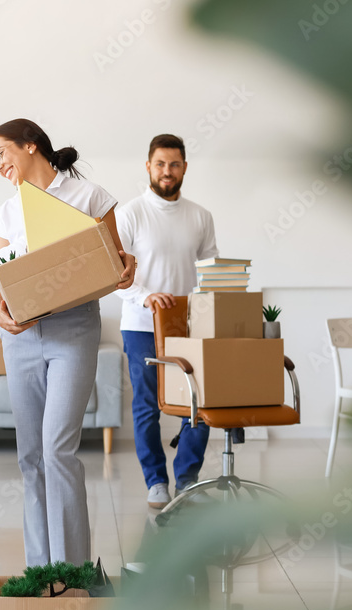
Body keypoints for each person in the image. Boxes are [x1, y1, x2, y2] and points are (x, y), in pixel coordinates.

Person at [0, 119, 136, 567]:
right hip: (23, 339)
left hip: (73, 331)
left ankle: (71, 570)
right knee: (30, 455)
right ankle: (40, 568)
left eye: (0, 152)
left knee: (57, 449)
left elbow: (117, 267)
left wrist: (125, 269)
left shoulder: (89, 197)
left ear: (30, 145)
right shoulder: (6, 214)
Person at [115, 134, 218, 509]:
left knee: (199, 402)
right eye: (160, 164)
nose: (167, 171)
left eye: (174, 164)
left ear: (185, 167)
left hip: (190, 327)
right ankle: (156, 481)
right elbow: (116, 273)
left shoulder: (200, 216)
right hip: (142, 324)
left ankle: (188, 478)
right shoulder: (129, 214)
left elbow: (211, 272)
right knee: (148, 405)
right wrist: (145, 295)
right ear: (148, 166)